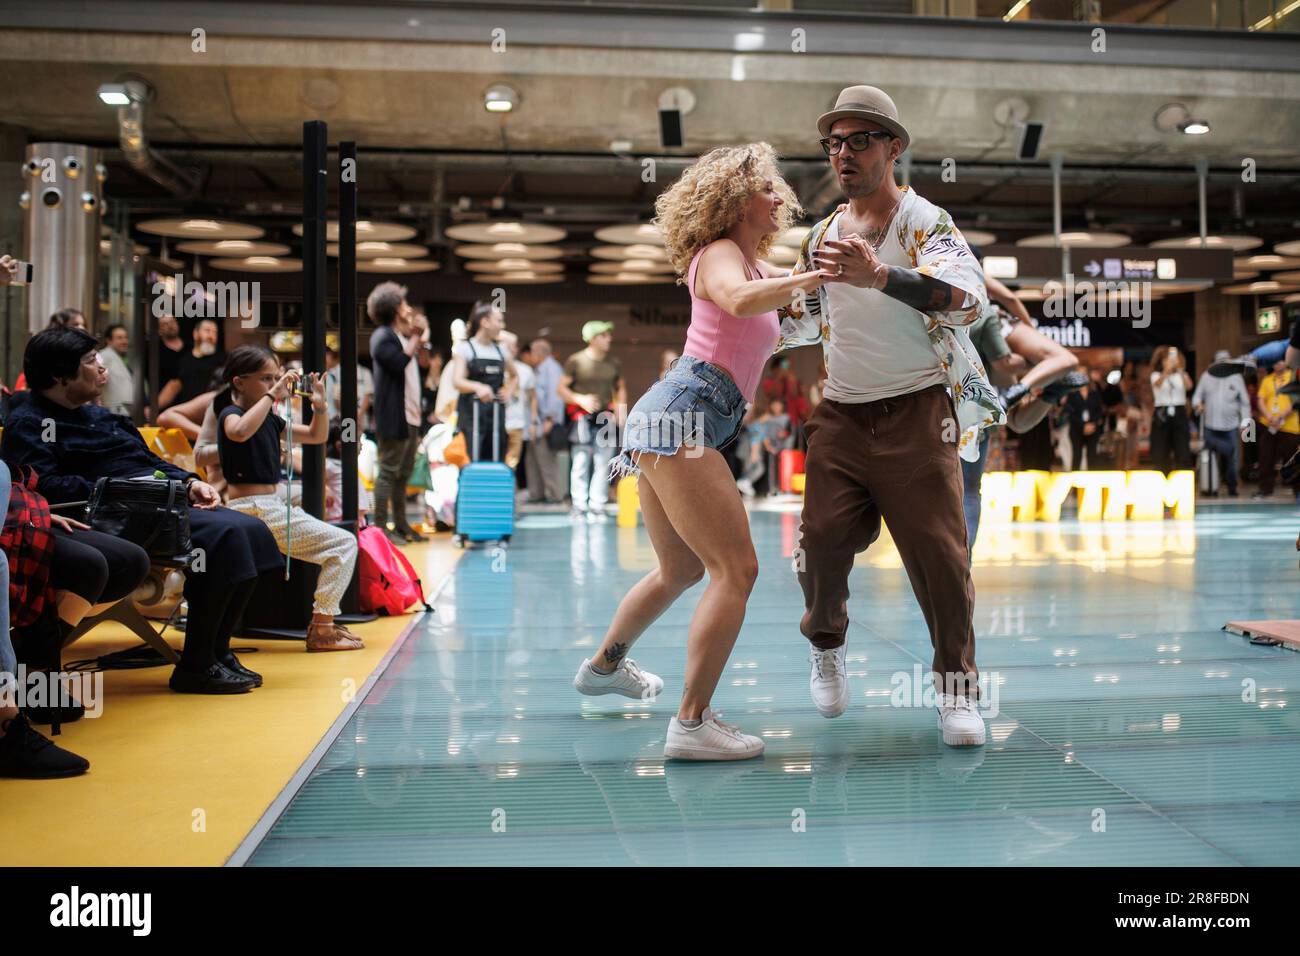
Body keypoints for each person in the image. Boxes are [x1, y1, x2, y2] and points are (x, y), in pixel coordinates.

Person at [576, 141, 831, 760]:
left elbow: (797, 297)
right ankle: (692, 724)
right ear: (739, 200)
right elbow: (741, 300)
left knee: (682, 570)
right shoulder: (719, 256)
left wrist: (832, 273)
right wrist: (820, 275)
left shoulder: (751, 264)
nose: (778, 199)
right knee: (736, 569)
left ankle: (604, 669)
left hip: (677, 421)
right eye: (769, 190)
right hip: (684, 415)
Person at [776, 85, 1002, 746]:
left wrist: (882, 277)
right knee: (818, 541)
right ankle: (827, 645)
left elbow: (968, 303)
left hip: (917, 411)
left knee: (940, 553)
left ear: (894, 147)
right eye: (834, 143)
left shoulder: (923, 221)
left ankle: (957, 690)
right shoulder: (822, 233)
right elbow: (801, 322)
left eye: (859, 140)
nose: (843, 154)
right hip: (842, 415)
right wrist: (742, 293)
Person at [1, 327, 283, 694]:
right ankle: (196, 665)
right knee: (225, 534)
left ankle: (216, 650)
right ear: (59, 375)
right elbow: (46, 486)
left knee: (249, 529)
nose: (103, 367)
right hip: (106, 512)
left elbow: (148, 459)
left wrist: (187, 482)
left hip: (153, 503)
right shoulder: (32, 423)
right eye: (91, 361)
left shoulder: (103, 418)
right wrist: (138, 490)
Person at [216, 345, 363, 652]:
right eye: (265, 378)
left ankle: (323, 624)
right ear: (239, 382)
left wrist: (320, 408)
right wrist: (275, 394)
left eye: (275, 377)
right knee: (343, 543)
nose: (273, 384)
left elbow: (316, 436)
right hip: (253, 509)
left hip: (268, 506)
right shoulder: (231, 414)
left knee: (339, 540)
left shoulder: (270, 419)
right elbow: (240, 432)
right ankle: (322, 627)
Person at [367, 282, 427, 545]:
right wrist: (416, 336)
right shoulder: (382, 336)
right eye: (403, 304)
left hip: (410, 415)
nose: (409, 308)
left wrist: (416, 337)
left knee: (403, 474)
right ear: (393, 309)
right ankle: (380, 529)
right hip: (395, 416)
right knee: (388, 472)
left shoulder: (399, 336)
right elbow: (398, 362)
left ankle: (401, 524)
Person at [559, 321, 626, 520]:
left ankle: (597, 504)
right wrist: (580, 399)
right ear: (592, 338)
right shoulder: (576, 361)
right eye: (604, 335)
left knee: (603, 461)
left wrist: (621, 411)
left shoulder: (613, 363)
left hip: (605, 416)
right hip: (582, 416)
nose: (609, 339)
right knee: (580, 460)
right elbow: (561, 388)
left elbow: (620, 387)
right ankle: (579, 505)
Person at [451, 302, 516, 465]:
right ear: (485, 322)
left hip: (495, 415)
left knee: (496, 454)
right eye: (499, 321)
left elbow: (515, 376)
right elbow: (457, 381)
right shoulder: (465, 349)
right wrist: (478, 387)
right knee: (470, 457)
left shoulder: (501, 351)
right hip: (471, 415)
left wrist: (509, 391)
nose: (503, 325)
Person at [1193, 349, 1250, 497]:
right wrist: (1198, 405)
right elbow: (1196, 398)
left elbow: (1245, 402)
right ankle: (1211, 487)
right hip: (1210, 426)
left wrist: (1245, 425)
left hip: (1230, 426)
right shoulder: (1206, 377)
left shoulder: (1237, 377)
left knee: (1232, 458)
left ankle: (1232, 487)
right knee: (1209, 457)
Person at [523, 337, 568, 504]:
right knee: (532, 459)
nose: (530, 355)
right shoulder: (540, 369)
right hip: (535, 422)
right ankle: (536, 493)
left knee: (547, 459)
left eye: (533, 352)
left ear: (540, 353)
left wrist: (550, 419)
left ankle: (556, 495)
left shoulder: (552, 369)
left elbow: (555, 396)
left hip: (545, 422)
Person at [1254, 359, 1300, 499]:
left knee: (1293, 460)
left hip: (1290, 425)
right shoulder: (1267, 380)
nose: (1276, 364)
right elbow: (1260, 399)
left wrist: (1281, 416)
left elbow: (1296, 401)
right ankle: (1265, 489)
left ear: (1286, 362)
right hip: (1269, 425)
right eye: (1273, 362)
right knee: (1266, 458)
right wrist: (1269, 417)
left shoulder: (1294, 377)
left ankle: (1298, 490)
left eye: (1279, 361)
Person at [157, 317, 224, 410]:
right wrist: (152, 409)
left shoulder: (223, 360)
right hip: (188, 413)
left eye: (215, 332)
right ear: (195, 334)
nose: (211, 336)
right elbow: (172, 388)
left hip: (213, 412)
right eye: (207, 331)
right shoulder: (184, 361)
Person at [1149, 345, 1193, 473]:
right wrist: (1166, 371)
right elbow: (1157, 384)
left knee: (1182, 448)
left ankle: (1182, 475)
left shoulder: (1181, 374)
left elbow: (1189, 386)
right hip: (1161, 412)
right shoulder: (1155, 375)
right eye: (1167, 359)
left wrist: (1180, 370)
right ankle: (1163, 476)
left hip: (1179, 410)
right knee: (1161, 449)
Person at [499, 330, 535, 472]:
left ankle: (509, 490)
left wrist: (532, 422)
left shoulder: (526, 370)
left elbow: (533, 397)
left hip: (517, 423)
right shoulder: (494, 367)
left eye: (515, 346)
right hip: (496, 421)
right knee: (496, 459)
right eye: (510, 346)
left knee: (513, 462)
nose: (514, 349)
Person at [1066, 368, 1104, 471]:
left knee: (1092, 457)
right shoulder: (1072, 393)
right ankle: (1074, 483)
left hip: (1092, 429)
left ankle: (1091, 483)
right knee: (1076, 456)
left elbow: (1099, 410)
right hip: (1077, 429)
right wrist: (1082, 426)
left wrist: (1093, 424)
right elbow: (1070, 412)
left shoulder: (1094, 392)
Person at [97, 323, 137, 417]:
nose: (124, 341)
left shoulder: (120, 358)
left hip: (123, 412)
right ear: (109, 340)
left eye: (126, 337)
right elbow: (96, 380)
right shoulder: (104, 355)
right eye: (119, 338)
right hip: (113, 412)